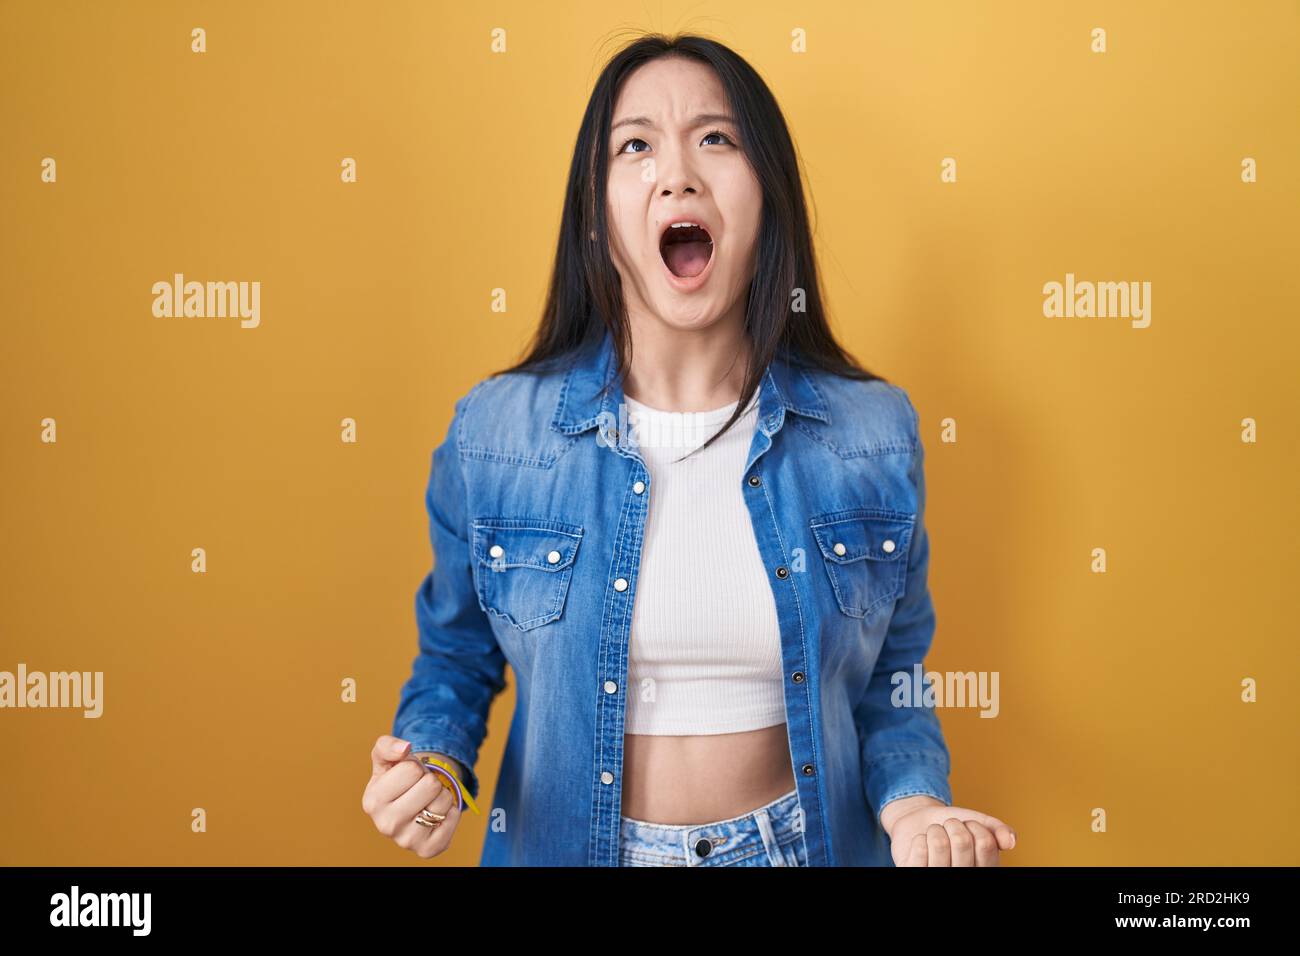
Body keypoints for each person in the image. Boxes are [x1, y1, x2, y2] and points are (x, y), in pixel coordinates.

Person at [362, 31, 1016, 866]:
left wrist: (917, 805)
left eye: (716, 138)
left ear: (766, 197)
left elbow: (895, 674)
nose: (677, 172)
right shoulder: (495, 437)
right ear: (597, 219)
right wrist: (434, 763)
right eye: (634, 145)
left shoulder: (870, 432)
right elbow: (456, 656)